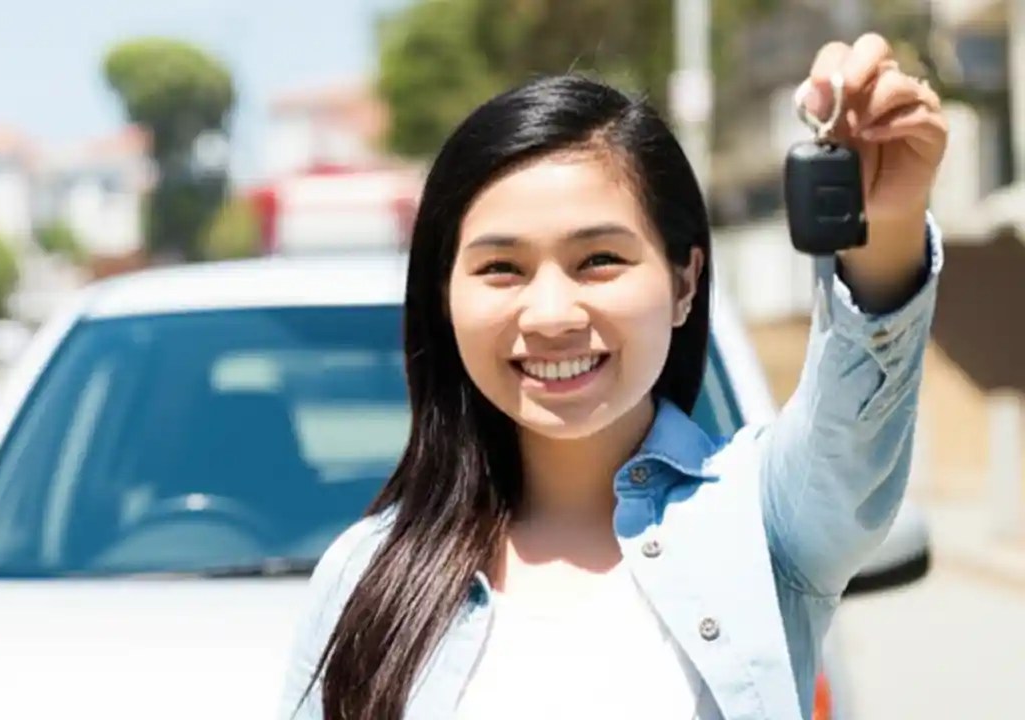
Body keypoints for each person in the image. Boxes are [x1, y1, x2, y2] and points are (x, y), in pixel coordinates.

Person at [279, 33, 946, 720]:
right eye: (501, 268)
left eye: (599, 260)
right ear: (445, 298)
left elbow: (850, 432)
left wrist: (887, 225)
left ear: (685, 282)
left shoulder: (761, 520)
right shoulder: (363, 577)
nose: (551, 315)